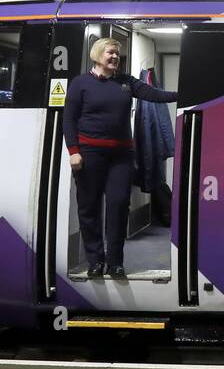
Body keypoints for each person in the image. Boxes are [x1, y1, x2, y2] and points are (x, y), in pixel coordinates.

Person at [63, 37, 178, 279]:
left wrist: (184, 95)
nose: (115, 57)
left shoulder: (126, 82)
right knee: (89, 207)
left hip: (121, 156)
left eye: (117, 53)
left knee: (118, 205)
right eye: (111, 53)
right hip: (89, 154)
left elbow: (153, 93)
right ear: (98, 55)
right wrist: (73, 151)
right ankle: (95, 261)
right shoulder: (80, 83)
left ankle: (115, 262)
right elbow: (69, 119)